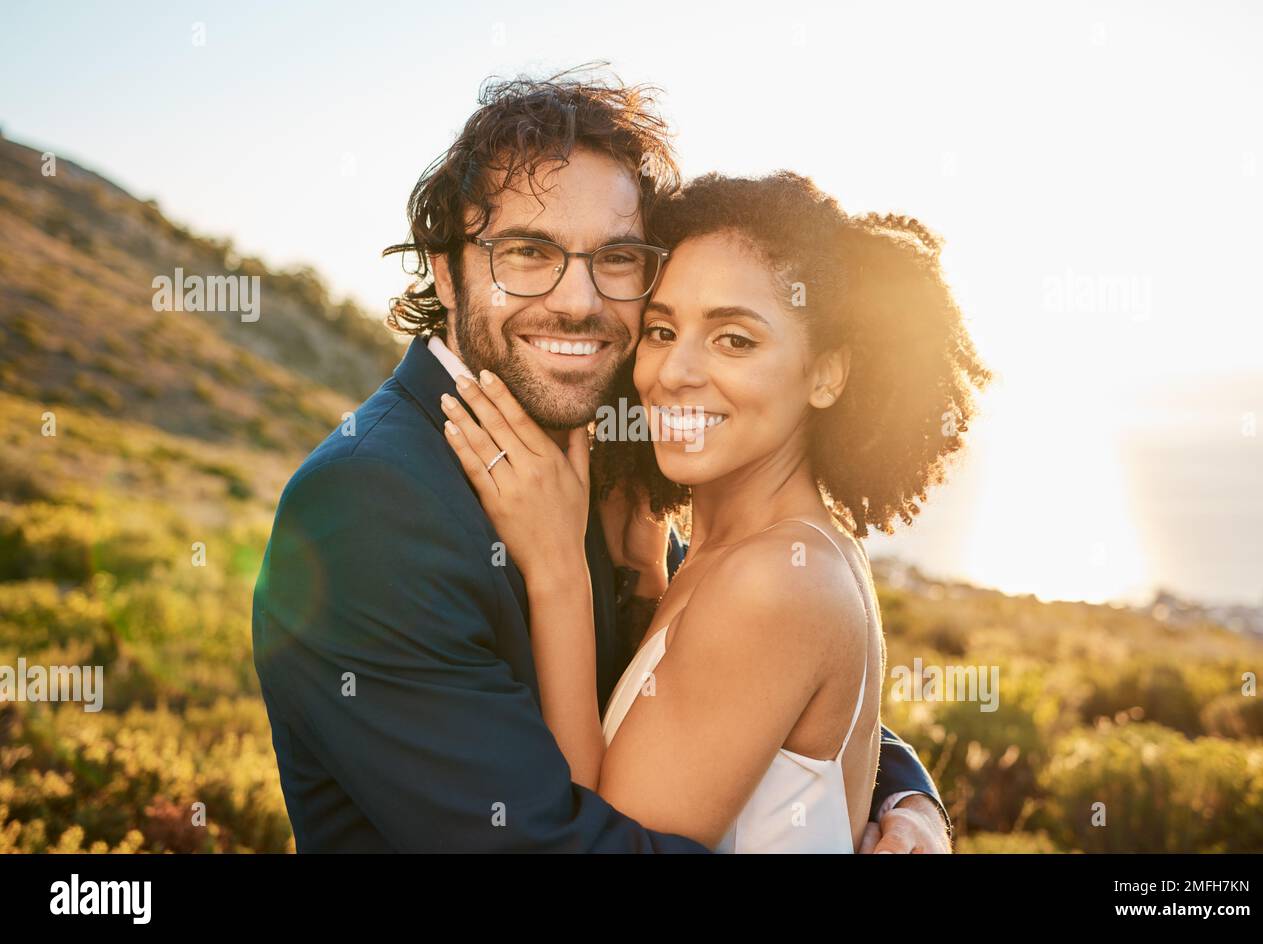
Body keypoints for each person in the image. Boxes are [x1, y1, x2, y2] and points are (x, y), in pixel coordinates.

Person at [252, 69, 952, 852]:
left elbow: (738, 680)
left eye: (615, 259)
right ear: (446, 272)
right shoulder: (368, 506)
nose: (578, 302)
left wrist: (908, 799)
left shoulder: (605, 455)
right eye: (527, 252)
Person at [441, 170, 989, 851]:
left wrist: (556, 569)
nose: (674, 373)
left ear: (826, 374)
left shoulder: (773, 581)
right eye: (663, 330)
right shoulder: (750, 549)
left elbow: (596, 841)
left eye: (735, 340)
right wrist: (645, 578)